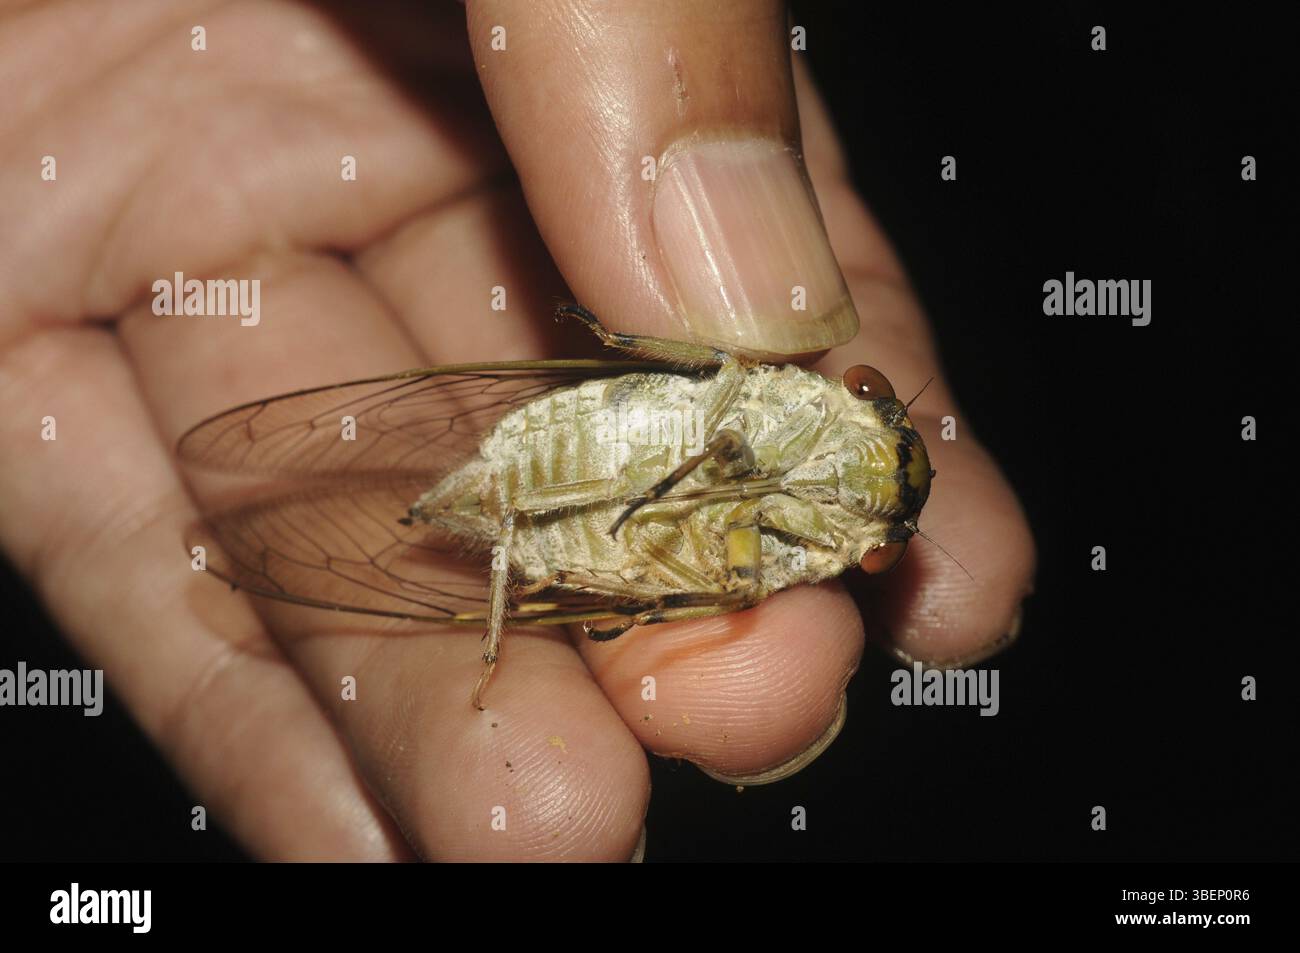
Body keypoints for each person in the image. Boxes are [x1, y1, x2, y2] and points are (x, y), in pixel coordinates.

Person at [0, 0, 1034, 860]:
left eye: (883, 521)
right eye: (872, 400)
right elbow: (695, 376)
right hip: (569, 440)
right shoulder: (785, 389)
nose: (864, 433)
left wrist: (665, 558)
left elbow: (702, 578)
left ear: (867, 544)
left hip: (595, 534)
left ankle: (455, 558)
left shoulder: (796, 548)